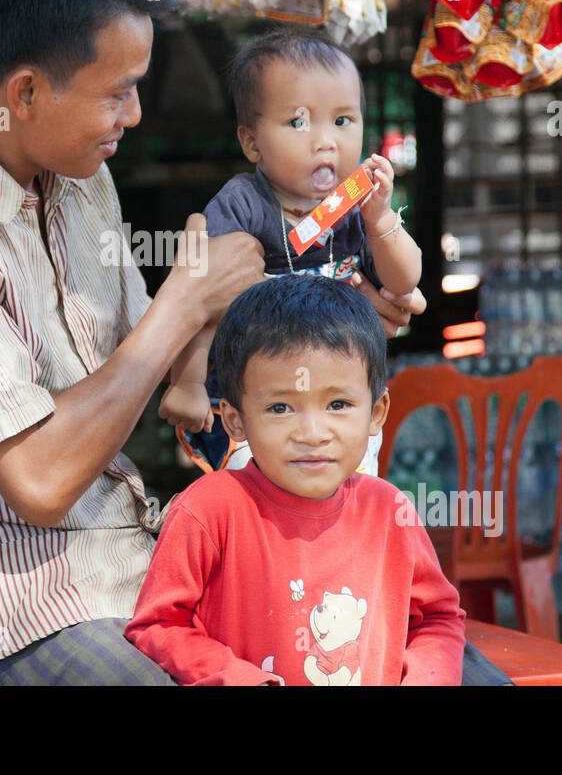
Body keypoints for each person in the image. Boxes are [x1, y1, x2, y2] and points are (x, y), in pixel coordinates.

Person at [0, 0, 428, 686]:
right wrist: (184, 301)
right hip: (26, 611)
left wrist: (311, 311)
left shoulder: (82, 184)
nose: (136, 114)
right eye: (118, 92)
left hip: (153, 570)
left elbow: (162, 376)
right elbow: (44, 482)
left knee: (430, 664)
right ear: (26, 92)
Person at [126, 274, 465, 685]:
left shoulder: (390, 512)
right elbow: (158, 625)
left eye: (338, 404)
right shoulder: (209, 510)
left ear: (376, 412)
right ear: (235, 421)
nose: (312, 433)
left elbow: (437, 619)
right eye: (281, 408)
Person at [161, 29, 423, 473]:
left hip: (340, 397)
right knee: (259, 501)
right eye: (299, 123)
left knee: (346, 499)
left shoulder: (358, 205)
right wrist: (187, 384)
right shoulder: (243, 205)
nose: (326, 141)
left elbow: (404, 283)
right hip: (259, 404)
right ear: (251, 142)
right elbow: (204, 301)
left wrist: (381, 221)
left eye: (343, 121)